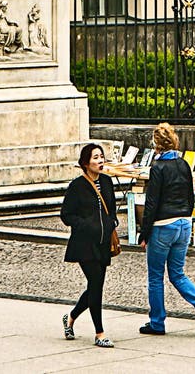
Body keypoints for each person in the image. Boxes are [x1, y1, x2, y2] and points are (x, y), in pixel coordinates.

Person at [138, 123, 195, 336]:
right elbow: (190, 195)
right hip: (183, 222)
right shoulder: (183, 164)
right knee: (177, 273)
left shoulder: (158, 167)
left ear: (156, 144)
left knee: (155, 276)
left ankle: (157, 322)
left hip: (163, 224)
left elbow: (152, 203)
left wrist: (144, 233)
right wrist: (187, 216)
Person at [60, 143, 118, 348]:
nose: (100, 161)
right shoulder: (77, 186)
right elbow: (66, 215)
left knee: (95, 286)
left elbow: (111, 208)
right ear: (86, 163)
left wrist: (112, 223)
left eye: (101, 157)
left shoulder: (107, 182)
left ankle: (71, 317)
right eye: (95, 158)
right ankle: (99, 333)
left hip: (102, 242)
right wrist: (85, 225)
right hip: (84, 243)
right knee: (95, 283)